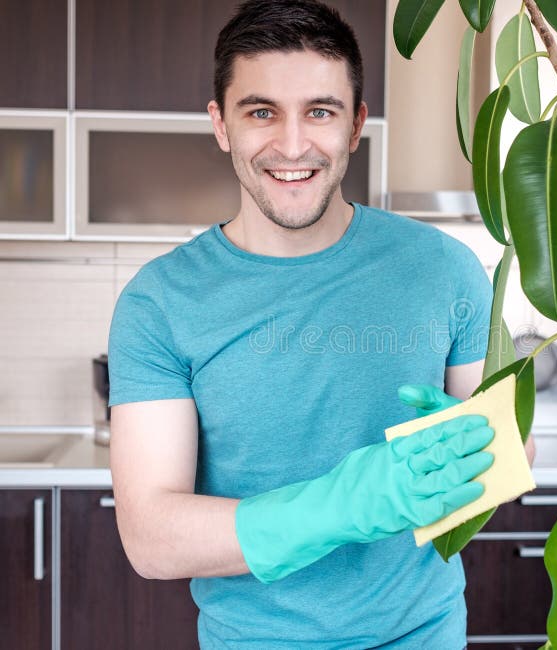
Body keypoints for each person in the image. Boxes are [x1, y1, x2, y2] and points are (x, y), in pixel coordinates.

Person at [108, 1, 534, 647]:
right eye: (260, 112)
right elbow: (152, 540)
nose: (292, 144)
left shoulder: (444, 268)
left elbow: (514, 455)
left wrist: (473, 454)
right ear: (221, 124)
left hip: (424, 633)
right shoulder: (160, 301)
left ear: (356, 124)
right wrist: (351, 502)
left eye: (320, 111)